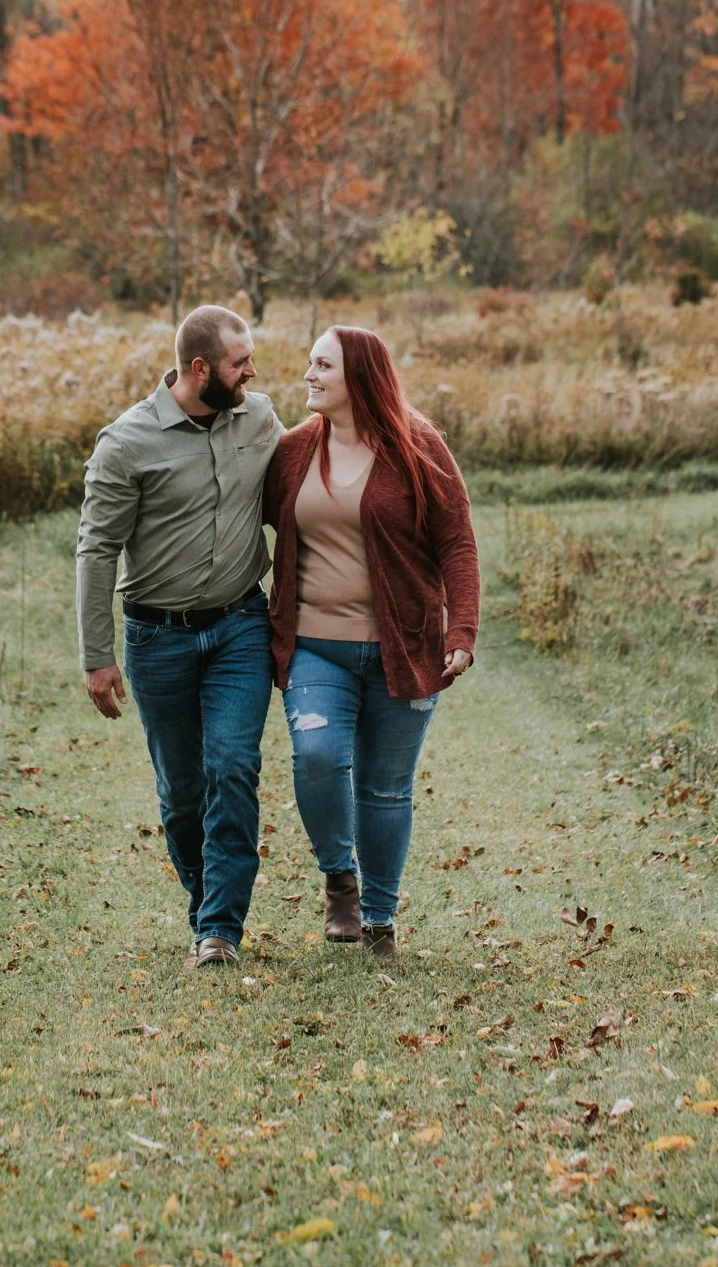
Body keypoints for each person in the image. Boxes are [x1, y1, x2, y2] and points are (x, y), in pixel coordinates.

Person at [76, 305, 283, 969]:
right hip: (158, 638)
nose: (251, 371)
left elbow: (307, 486)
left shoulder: (260, 419)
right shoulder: (127, 442)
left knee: (233, 766)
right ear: (200, 369)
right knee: (183, 792)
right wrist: (97, 656)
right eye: (239, 361)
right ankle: (207, 904)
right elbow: (97, 547)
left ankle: (220, 926)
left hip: (241, 627)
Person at [263, 325, 479, 959]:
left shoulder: (419, 445)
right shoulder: (294, 450)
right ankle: (340, 880)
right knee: (319, 758)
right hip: (314, 646)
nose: (309, 375)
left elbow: (457, 541)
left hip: (404, 647)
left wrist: (461, 628)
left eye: (322, 365)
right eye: (309, 363)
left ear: (358, 376)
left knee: (386, 788)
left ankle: (380, 917)